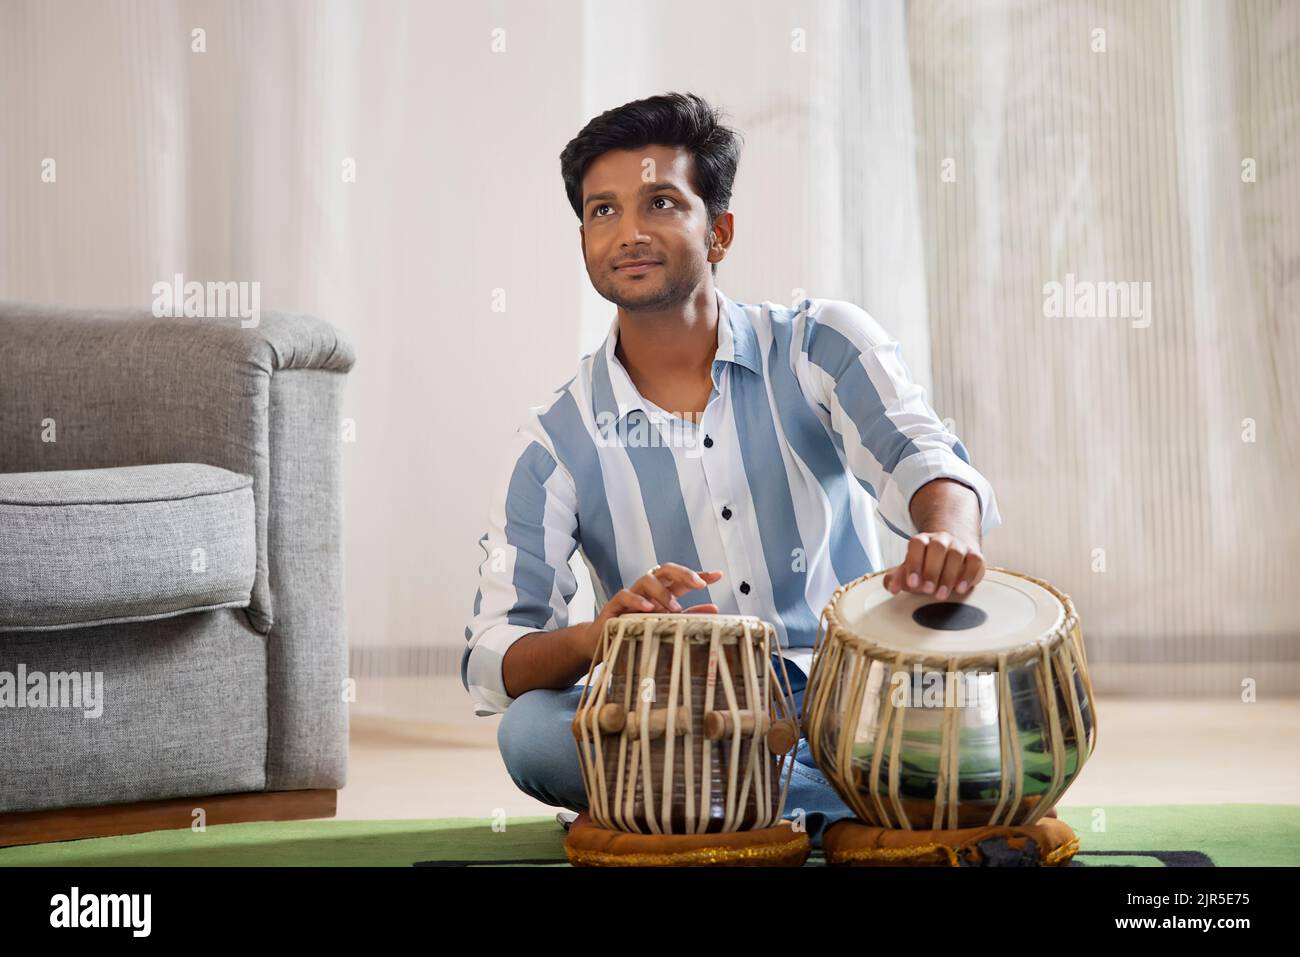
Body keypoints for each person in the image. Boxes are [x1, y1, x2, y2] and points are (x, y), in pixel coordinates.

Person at [462, 91, 1004, 848]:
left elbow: (925, 461)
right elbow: (495, 654)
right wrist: (602, 639)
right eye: (602, 211)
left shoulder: (822, 345)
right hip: (679, 716)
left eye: (660, 202)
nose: (629, 233)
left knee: (976, 705)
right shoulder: (553, 442)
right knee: (530, 734)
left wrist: (951, 535)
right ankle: (855, 820)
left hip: (847, 700)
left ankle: (694, 819)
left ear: (719, 232)